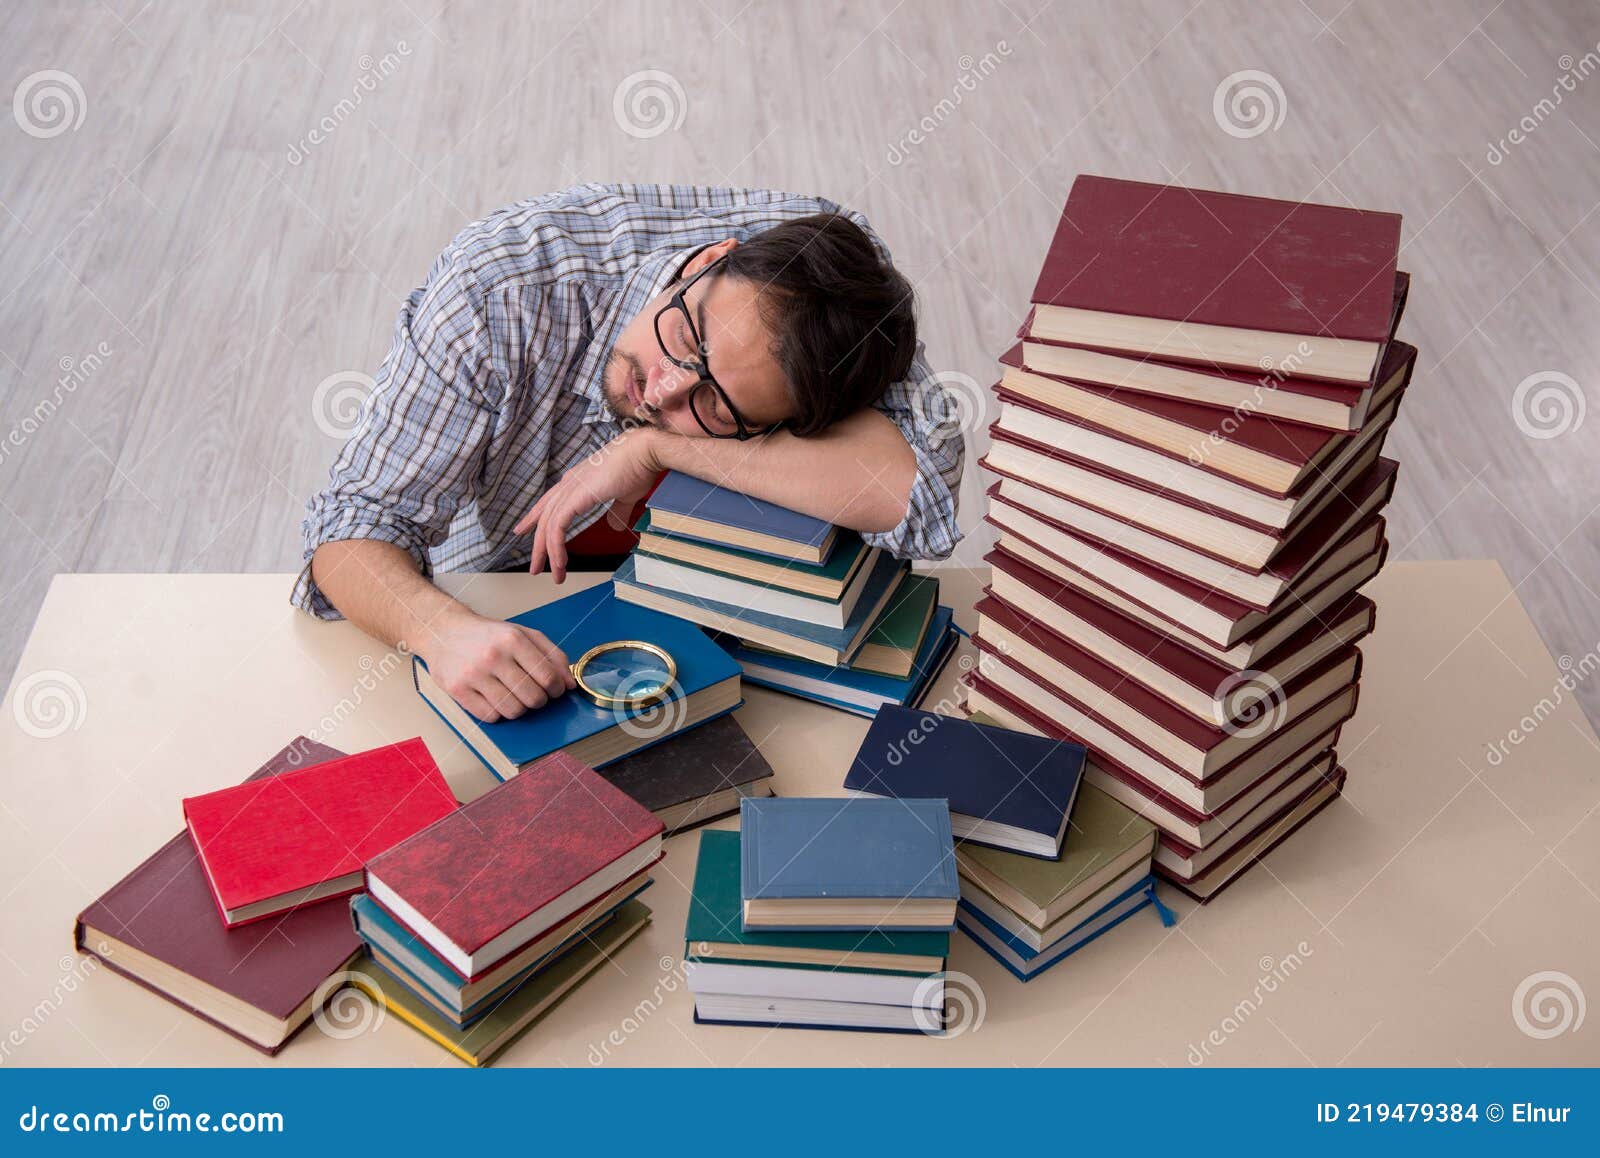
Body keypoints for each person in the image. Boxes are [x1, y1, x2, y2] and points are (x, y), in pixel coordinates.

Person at [295, 183, 964, 724]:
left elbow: (917, 491)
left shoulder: (845, 300)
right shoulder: (496, 295)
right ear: (705, 263)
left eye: (713, 407)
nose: (663, 389)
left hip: (743, 642)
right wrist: (440, 631)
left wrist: (654, 449)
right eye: (685, 337)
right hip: (513, 613)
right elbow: (351, 530)